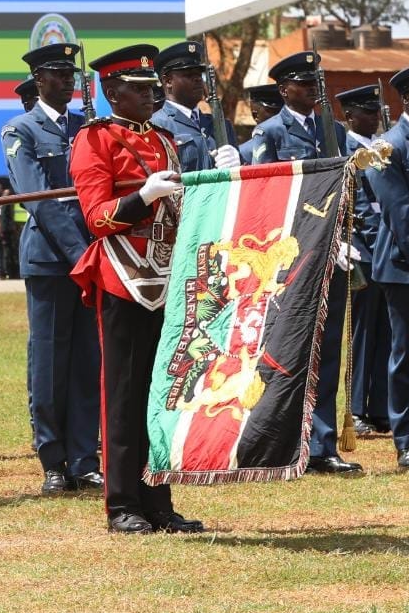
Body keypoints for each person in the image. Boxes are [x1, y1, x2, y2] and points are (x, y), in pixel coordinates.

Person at [68, 44, 202, 535]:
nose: (150, 96)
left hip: (166, 273)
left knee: (160, 394)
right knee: (124, 393)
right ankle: (123, 503)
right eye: (139, 89)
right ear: (112, 91)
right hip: (123, 274)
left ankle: (159, 500)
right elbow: (97, 216)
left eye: (152, 88)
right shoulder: (95, 140)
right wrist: (142, 197)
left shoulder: (166, 140)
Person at [249, 50, 360, 475]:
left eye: (316, 82)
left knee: (328, 348)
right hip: (292, 256)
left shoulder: (335, 130)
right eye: (303, 82)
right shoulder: (270, 132)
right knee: (288, 351)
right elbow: (267, 194)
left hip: (331, 251)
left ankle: (324, 442)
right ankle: (286, 442)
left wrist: (350, 238)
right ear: (283, 89)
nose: (313, 89)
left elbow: (350, 187)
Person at [1, 43, 100, 496]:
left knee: (86, 360)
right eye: (58, 74)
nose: (67, 82)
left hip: (92, 257)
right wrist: (83, 253)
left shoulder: (88, 127)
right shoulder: (20, 129)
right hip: (51, 259)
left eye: (70, 74)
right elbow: (39, 200)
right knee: (50, 361)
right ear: (38, 79)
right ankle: (53, 460)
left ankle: (85, 456)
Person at [366, 64, 409, 471]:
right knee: (405, 355)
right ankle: (406, 440)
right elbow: (400, 215)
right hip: (406, 267)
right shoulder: (387, 146)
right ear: (408, 98)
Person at [338, 84, 392, 437]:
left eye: (376, 111)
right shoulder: (346, 150)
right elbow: (355, 206)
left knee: (386, 332)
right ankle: (357, 409)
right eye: (366, 112)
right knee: (362, 332)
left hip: (387, 248)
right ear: (349, 116)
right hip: (362, 246)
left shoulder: (380, 149)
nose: (374, 117)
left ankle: (379, 407)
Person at [151, 40, 241, 173]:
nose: (198, 79)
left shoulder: (221, 125)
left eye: (199, 74)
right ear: (168, 81)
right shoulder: (157, 125)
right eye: (188, 75)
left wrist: (239, 164)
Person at [238, 85, 282, 165]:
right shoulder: (242, 154)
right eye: (273, 112)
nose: (279, 117)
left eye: (282, 111)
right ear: (256, 115)